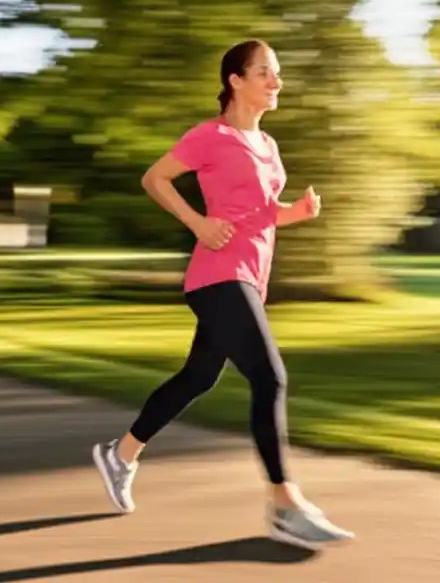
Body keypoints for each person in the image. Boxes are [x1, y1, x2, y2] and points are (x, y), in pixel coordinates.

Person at [91, 40, 355, 550]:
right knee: (270, 376)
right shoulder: (210, 136)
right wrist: (196, 222)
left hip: (249, 276)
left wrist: (295, 213)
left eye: (276, 73)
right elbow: (155, 178)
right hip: (217, 274)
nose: (276, 81)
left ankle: (120, 455)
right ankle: (285, 504)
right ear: (235, 80)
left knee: (197, 377)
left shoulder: (269, 146)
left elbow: (261, 210)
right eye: (265, 72)